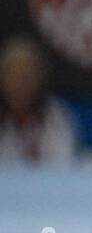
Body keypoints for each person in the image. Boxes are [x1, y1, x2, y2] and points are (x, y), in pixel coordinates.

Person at [0, 36, 79, 164]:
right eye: (12, 76)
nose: (18, 84)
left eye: (25, 77)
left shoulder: (56, 117)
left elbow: (63, 165)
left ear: (38, 79)